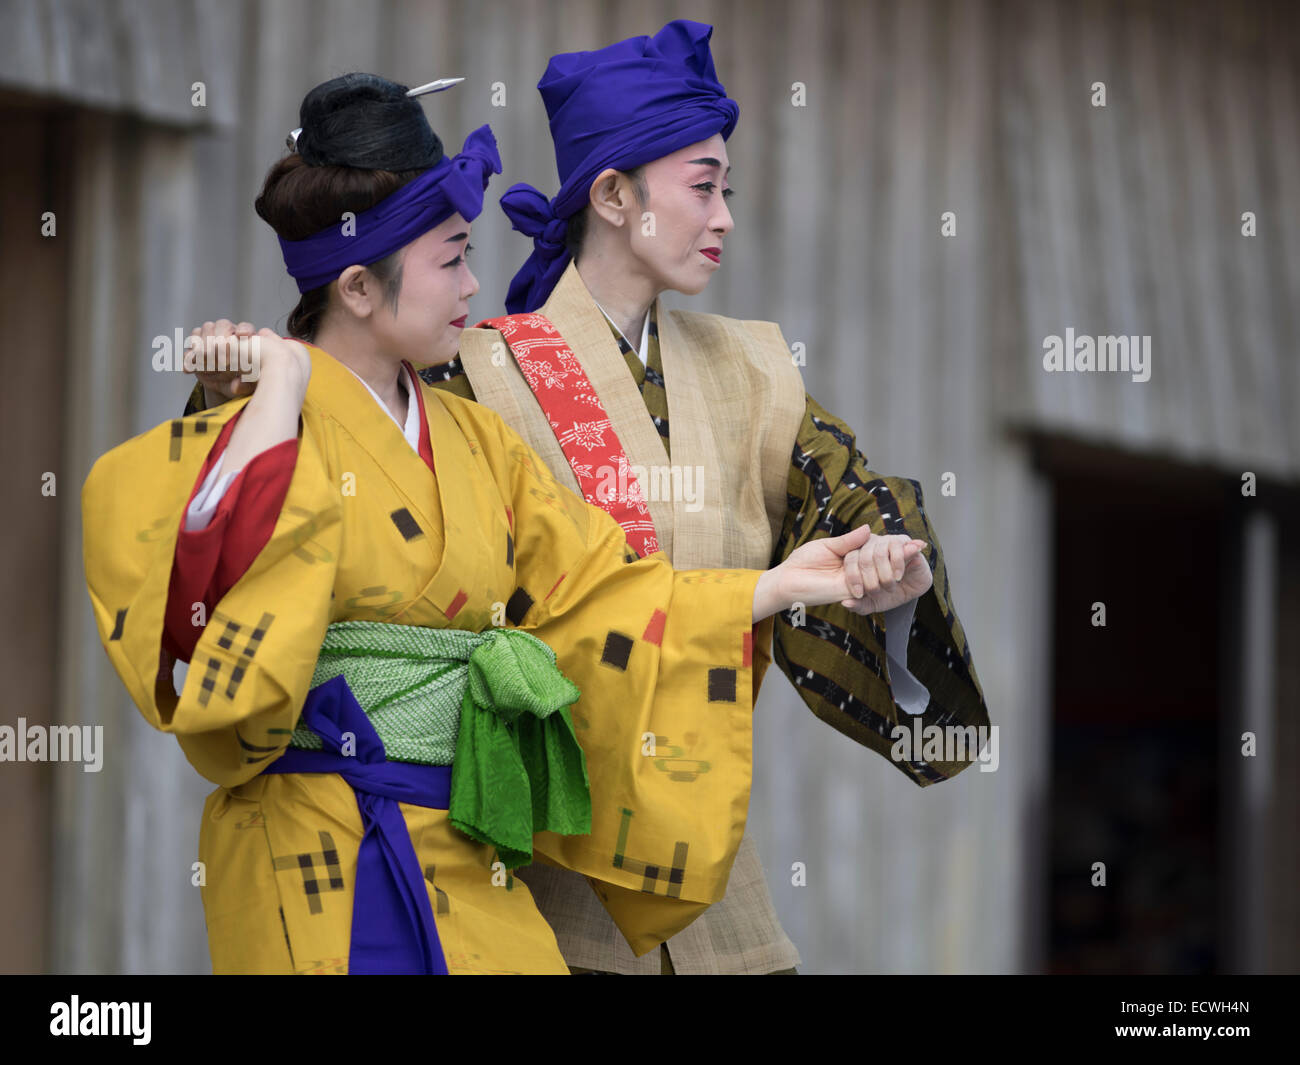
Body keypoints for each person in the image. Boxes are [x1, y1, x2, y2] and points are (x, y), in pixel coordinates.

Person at [82, 72, 930, 976]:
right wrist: (272, 397)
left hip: (465, 842)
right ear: (360, 287)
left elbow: (599, 590)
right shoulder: (273, 413)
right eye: (450, 260)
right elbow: (200, 610)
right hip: (316, 841)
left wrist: (777, 585)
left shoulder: (476, 438)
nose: (475, 284)